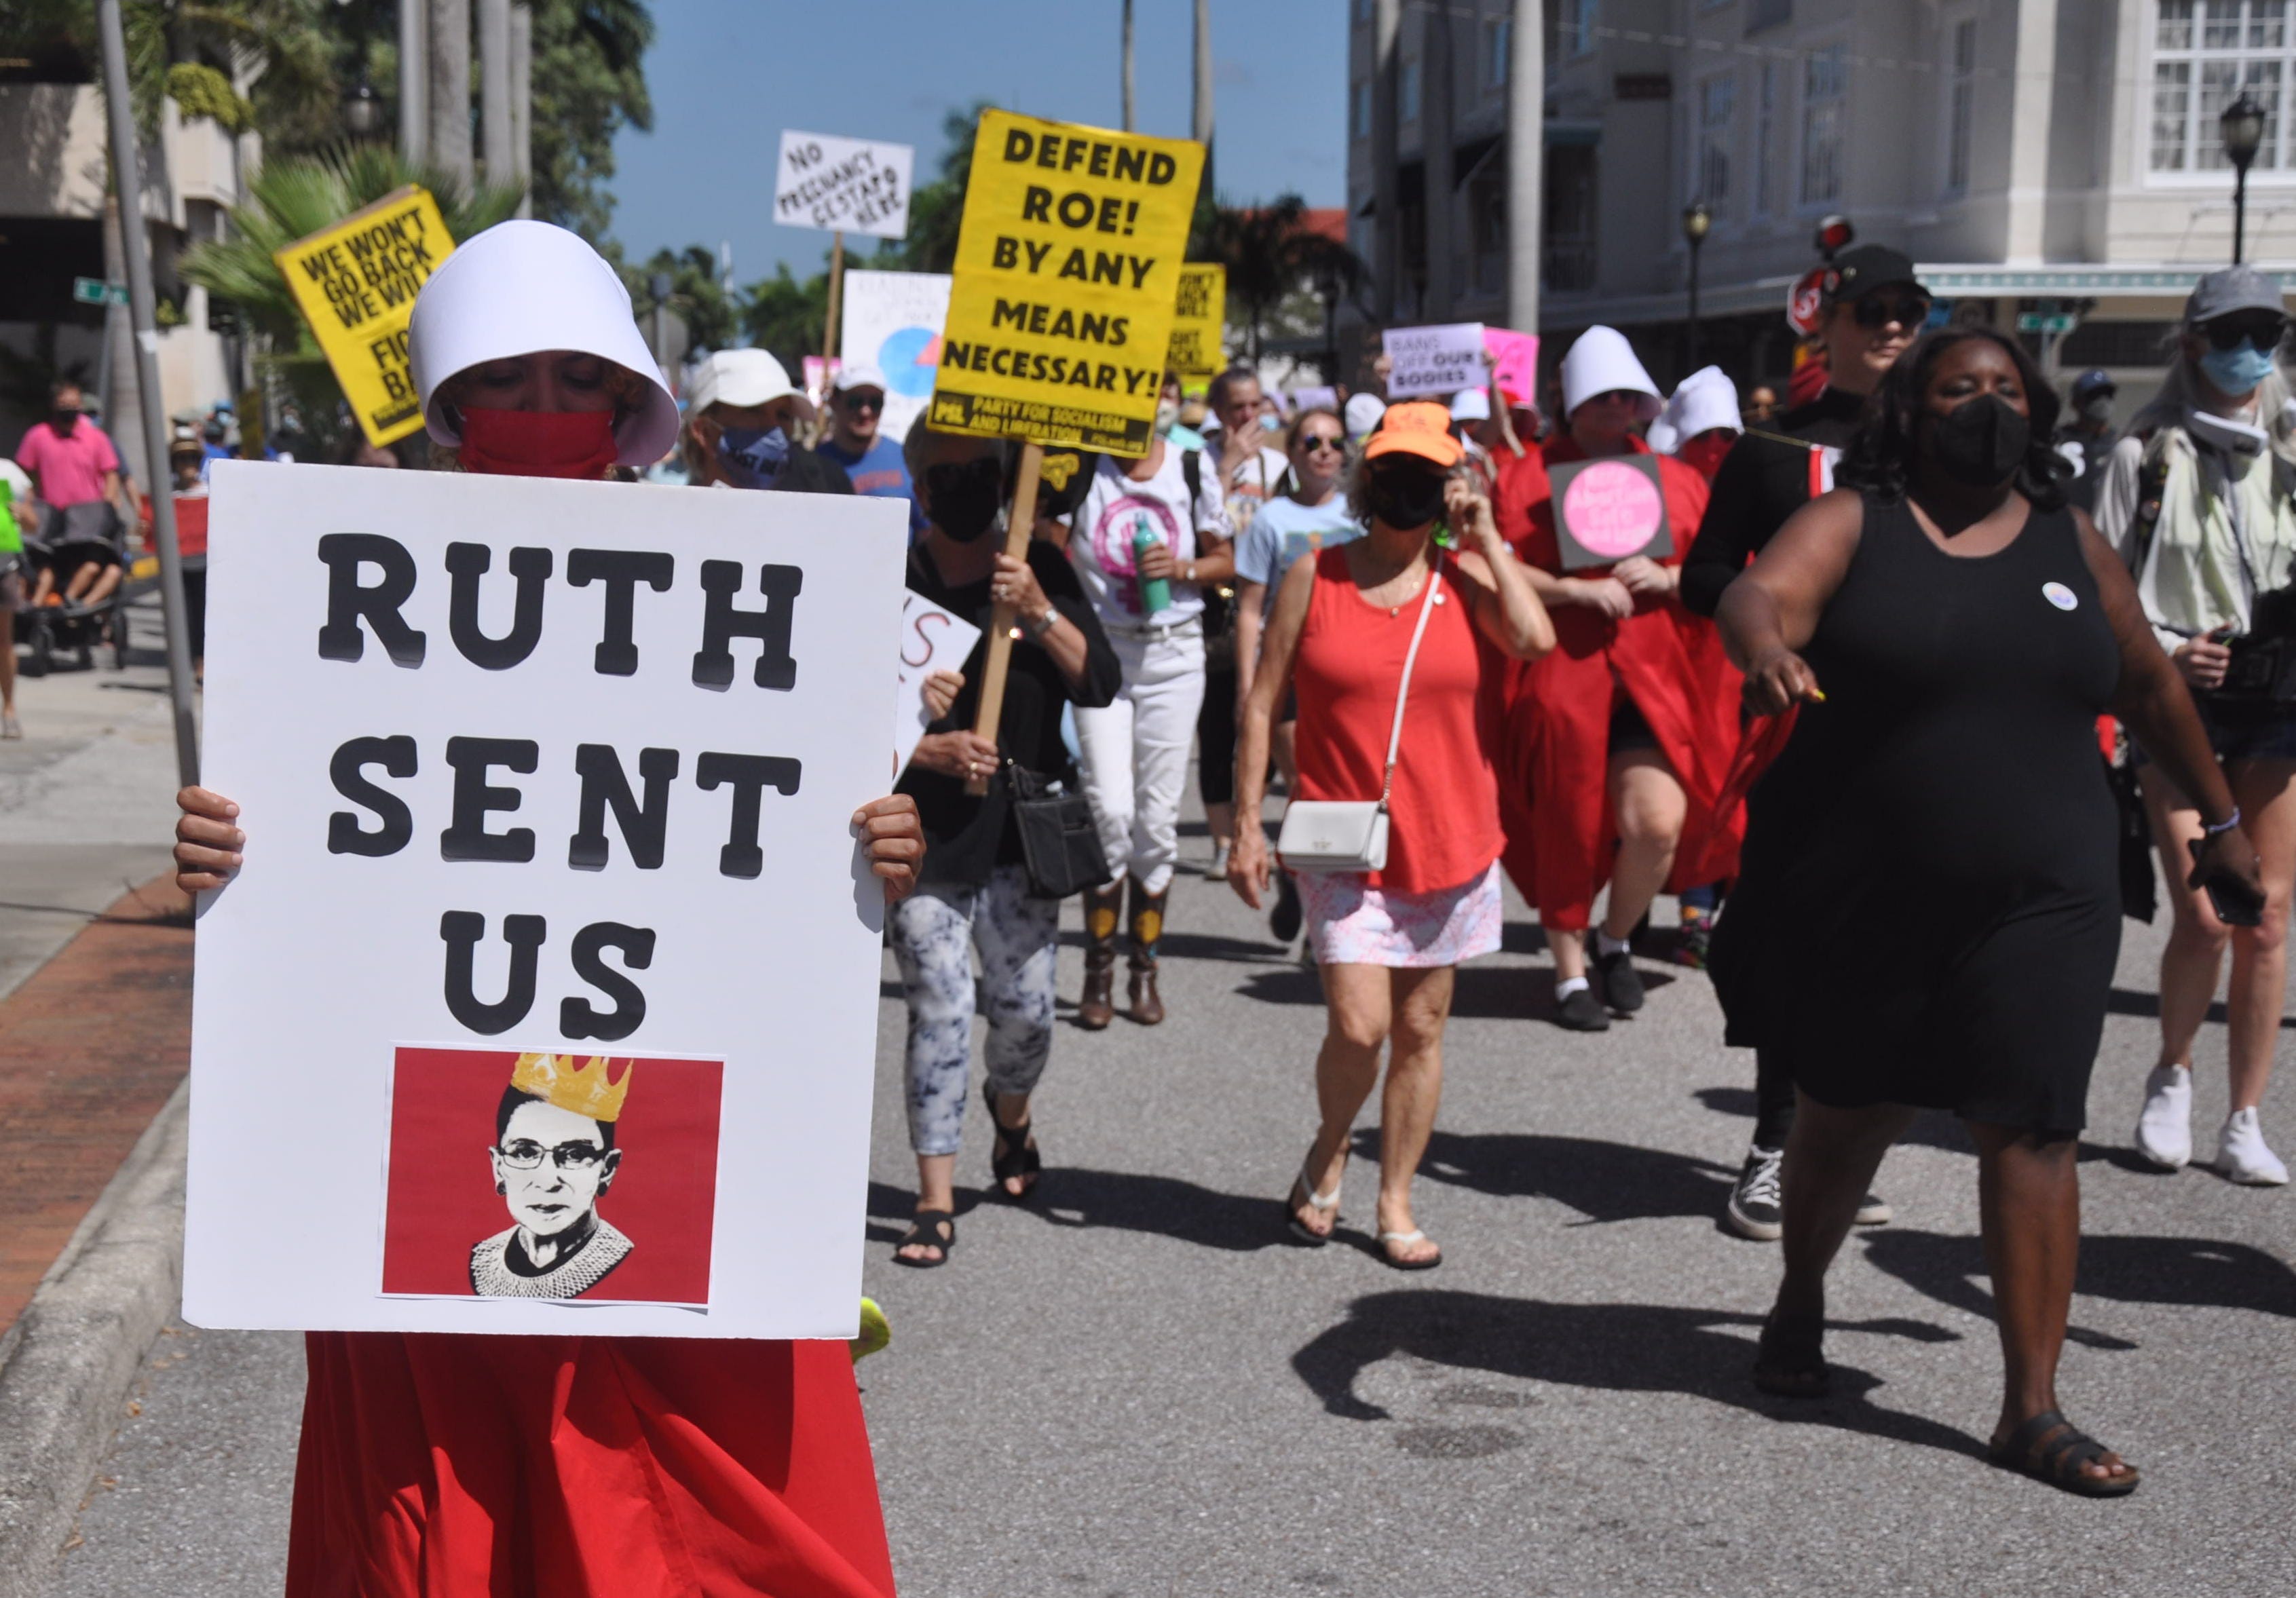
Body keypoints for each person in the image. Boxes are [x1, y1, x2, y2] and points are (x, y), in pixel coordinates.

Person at [170, 219, 920, 1596]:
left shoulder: (746, 578)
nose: (543, 413)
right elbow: (326, 851)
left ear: (628, 396)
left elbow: (771, 853)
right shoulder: (344, 571)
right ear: (451, 399)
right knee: (444, 1501)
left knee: (701, 1498)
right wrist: (230, 850)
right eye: (507, 382)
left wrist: (870, 840)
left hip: (669, 1110)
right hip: (424, 1121)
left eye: (577, 380)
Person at [1711, 326, 2261, 1498]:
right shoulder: (1855, 520)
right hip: (1871, 890)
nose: (1984, 407)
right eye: (1958, 389)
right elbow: (1756, 594)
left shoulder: (2070, 539)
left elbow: (2152, 689)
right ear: (1911, 409)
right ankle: (1799, 1299)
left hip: (2045, 894)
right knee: (1848, 1109)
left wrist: (2218, 832)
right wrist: (1762, 650)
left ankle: (2030, 1407)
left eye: (2004, 390)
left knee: (2034, 1128)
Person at [1230, 402, 1554, 1268]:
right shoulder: (1314, 572)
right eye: (1397, 471)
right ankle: (1330, 1140)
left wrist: (1487, 541)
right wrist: (1245, 827)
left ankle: (1394, 1198)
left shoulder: (1466, 579)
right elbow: (1262, 702)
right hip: (1344, 842)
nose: (1411, 487)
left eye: (1431, 474)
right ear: (1370, 478)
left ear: (1450, 484)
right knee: (1361, 1025)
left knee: (1421, 1028)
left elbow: (1536, 637)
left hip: (1450, 837)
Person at [1680, 242, 1929, 1240]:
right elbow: (1703, 572)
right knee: (1789, 940)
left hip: (1916, 734)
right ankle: (1775, 1140)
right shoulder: (1770, 452)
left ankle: (1838, 1132)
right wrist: (1766, 635)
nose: (1889, 326)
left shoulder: (1943, 449)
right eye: (1869, 308)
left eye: (1907, 308)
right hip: (1795, 730)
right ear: (1821, 323)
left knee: (1888, 949)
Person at [888, 425, 1121, 1266]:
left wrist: (1037, 610)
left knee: (1023, 1017)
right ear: (917, 480)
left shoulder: (1035, 568)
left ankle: (1009, 1112)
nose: (964, 486)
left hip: (1019, 838)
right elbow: (836, 714)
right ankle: (933, 1197)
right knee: (941, 1007)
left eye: (980, 472)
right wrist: (925, 743)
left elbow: (1098, 680)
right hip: (925, 840)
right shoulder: (891, 578)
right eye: (944, 473)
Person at [2096, 267, 2296, 1185]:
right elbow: (2100, 596)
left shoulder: (2289, 449)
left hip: (2276, 696)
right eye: (2228, 331)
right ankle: (2170, 1073)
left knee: (2265, 919)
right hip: (2176, 704)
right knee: (2207, 912)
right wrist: (2170, 650)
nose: (2247, 348)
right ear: (2189, 342)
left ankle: (2244, 1117)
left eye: (2263, 330)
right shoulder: (2144, 452)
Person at [1490, 326, 1740, 1032]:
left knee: (1655, 825)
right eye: (1600, 399)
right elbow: (1497, 569)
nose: (1614, 410)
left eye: (1625, 397)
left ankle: (1614, 937)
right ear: (1571, 404)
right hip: (1561, 681)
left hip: (1651, 680)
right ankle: (1568, 971)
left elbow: (1714, 571)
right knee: (1565, 823)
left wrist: (1664, 575)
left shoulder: (1681, 483)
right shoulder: (1522, 478)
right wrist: (1574, 592)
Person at [1061, 392, 1237, 1027]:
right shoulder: (1082, 467)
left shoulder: (1189, 468)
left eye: (1151, 390)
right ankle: (1097, 968)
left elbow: (1227, 558)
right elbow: (1042, 542)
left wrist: (1184, 565)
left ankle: (1143, 969)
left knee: (1157, 822)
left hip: (1174, 656)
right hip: (1103, 657)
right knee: (1109, 806)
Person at [1234, 406, 1358, 946]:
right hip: (1285, 674)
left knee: (1341, 792)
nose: (1324, 451)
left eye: (1334, 442)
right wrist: (1247, 686)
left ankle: (1302, 880)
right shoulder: (1270, 519)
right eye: (1312, 442)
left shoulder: (1359, 517)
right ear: (1293, 453)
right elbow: (1248, 607)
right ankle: (1315, 905)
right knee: (1310, 789)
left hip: (1344, 677)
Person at [1201, 366, 1292, 877]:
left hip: (1268, 604)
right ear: (1217, 411)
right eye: (1237, 407)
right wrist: (1225, 470)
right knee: (1217, 724)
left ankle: (1250, 818)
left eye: (1255, 405)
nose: (1248, 415)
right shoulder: (1200, 461)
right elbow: (1197, 528)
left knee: (1270, 722)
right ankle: (1221, 836)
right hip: (1216, 609)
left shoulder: (1278, 464)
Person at [472, 1053, 635, 1300]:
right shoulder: (480, 1259)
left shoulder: (633, 1265)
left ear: (607, 1169)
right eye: (525, 1152)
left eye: (576, 1155)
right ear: (498, 1167)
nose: (548, 1182)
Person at [16, 379, 131, 612]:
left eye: (73, 404)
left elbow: (111, 473)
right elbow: (23, 474)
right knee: (44, 564)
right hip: (52, 520)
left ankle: (74, 601)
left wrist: (109, 504)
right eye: (63, 404)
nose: (69, 409)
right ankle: (35, 607)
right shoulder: (38, 436)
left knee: (96, 565)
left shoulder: (96, 438)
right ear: (54, 405)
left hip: (89, 520)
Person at [682, 347, 855, 494]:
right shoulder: (672, 522)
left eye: (784, 415)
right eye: (753, 410)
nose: (774, 428)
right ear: (704, 432)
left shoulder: (811, 515)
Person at [816, 362, 922, 537]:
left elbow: (926, 531)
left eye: (875, 403)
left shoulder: (906, 459)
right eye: (855, 402)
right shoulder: (814, 464)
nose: (865, 411)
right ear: (834, 402)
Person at [0, 455, 28, 738]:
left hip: (4, 567)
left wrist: (21, 513)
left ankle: (9, 709)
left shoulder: (9, 472)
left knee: (4, 643)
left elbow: (33, 522)